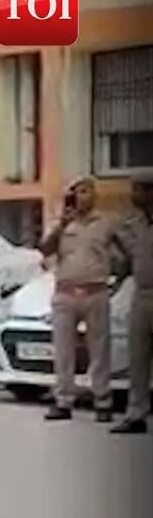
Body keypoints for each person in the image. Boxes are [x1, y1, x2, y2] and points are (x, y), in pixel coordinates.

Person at [39, 176, 118, 422]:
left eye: (87, 191)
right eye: (78, 192)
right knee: (63, 351)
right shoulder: (62, 223)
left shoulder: (106, 223)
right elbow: (44, 248)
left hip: (95, 292)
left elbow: (125, 254)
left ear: (95, 195)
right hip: (65, 293)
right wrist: (62, 224)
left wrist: (115, 282)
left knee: (99, 350)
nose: (82, 196)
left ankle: (102, 401)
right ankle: (63, 401)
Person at [110, 172, 153, 435]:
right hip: (142, 295)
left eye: (138, 190)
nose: (133, 195)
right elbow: (128, 259)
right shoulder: (133, 223)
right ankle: (136, 414)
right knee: (138, 360)